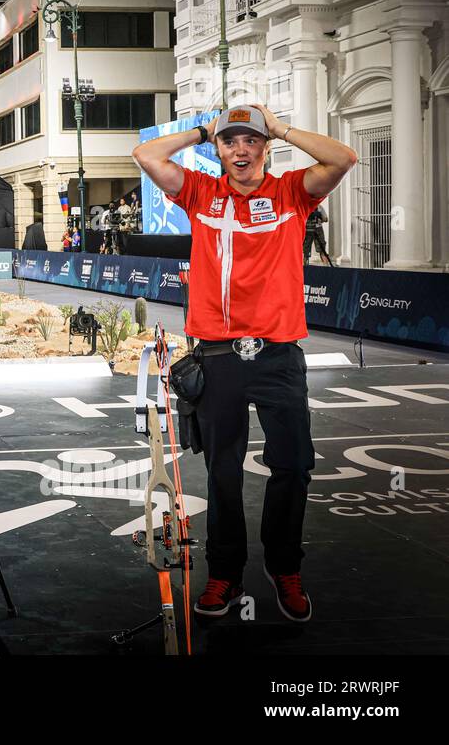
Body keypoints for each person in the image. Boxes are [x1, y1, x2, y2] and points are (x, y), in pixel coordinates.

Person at [131, 103, 357, 624]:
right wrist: (199, 130)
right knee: (222, 471)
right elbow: (145, 153)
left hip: (278, 354)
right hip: (218, 355)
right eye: (230, 142)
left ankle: (285, 569)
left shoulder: (291, 193)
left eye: (251, 141)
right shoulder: (199, 194)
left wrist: (278, 126)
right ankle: (225, 574)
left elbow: (343, 157)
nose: (241, 150)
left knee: (294, 466)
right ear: (219, 149)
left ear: (264, 148)